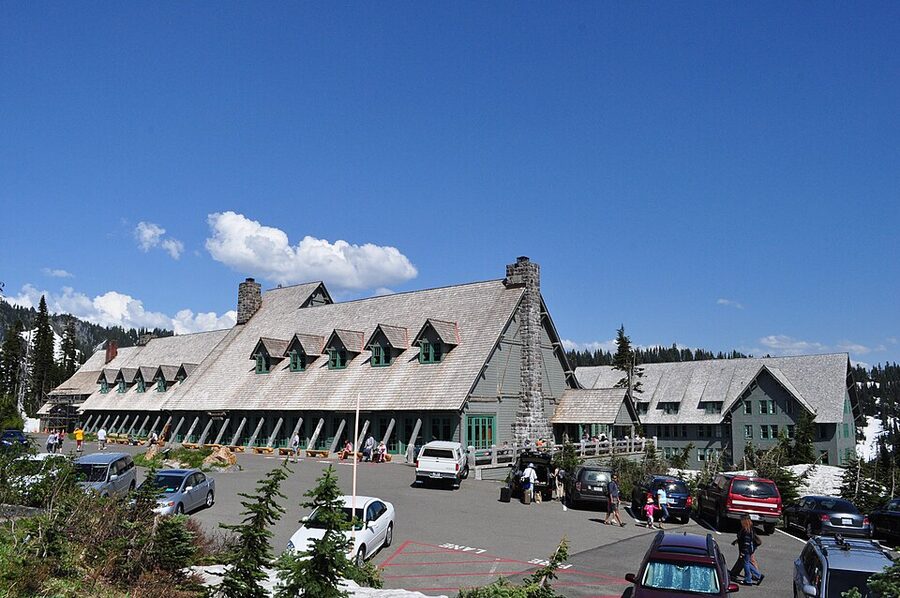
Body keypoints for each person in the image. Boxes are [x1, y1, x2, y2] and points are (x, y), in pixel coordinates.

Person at [733, 515, 764, 586]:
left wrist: (743, 552)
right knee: (747, 563)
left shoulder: (746, 530)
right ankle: (758, 575)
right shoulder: (750, 529)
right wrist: (736, 541)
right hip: (749, 549)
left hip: (746, 550)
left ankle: (748, 580)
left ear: (744, 521)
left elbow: (746, 543)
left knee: (745, 564)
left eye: (741, 520)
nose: (740, 522)